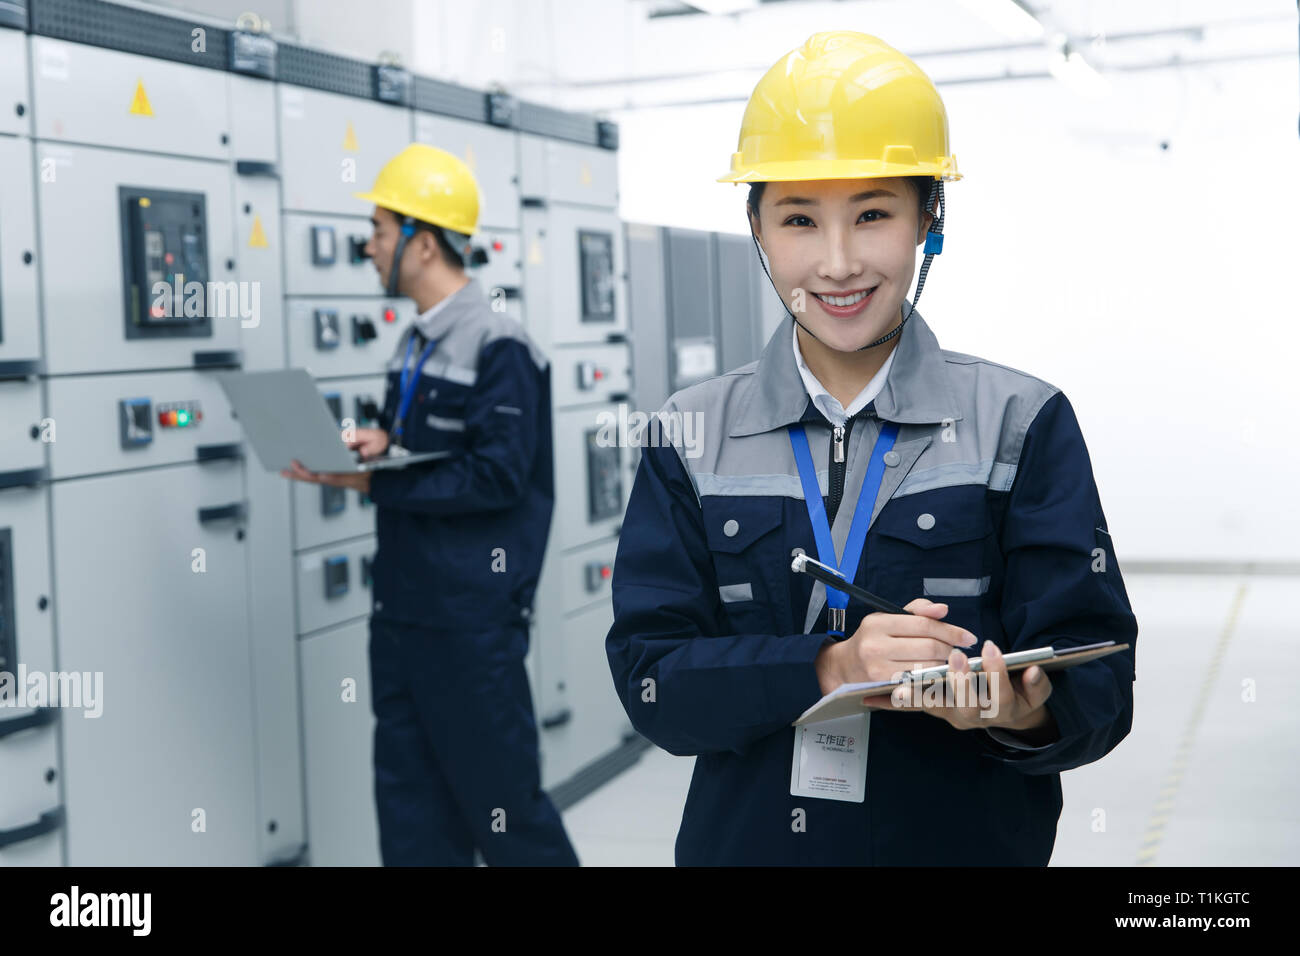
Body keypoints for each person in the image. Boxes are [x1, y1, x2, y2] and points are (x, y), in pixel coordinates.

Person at [605, 31, 1138, 866]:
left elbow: (1101, 684)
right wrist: (828, 665)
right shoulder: (690, 433)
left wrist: (1015, 707)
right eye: (799, 219)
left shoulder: (1021, 421)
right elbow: (651, 682)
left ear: (930, 219)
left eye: (875, 213)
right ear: (756, 227)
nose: (839, 262)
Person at [282, 143, 578, 866]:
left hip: (470, 624)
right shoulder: (410, 345)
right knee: (413, 819)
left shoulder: (500, 344)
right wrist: (385, 444)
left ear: (419, 243)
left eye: (379, 230)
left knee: (508, 815)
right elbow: (441, 454)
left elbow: (497, 478)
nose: (368, 245)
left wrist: (371, 483)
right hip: (403, 614)